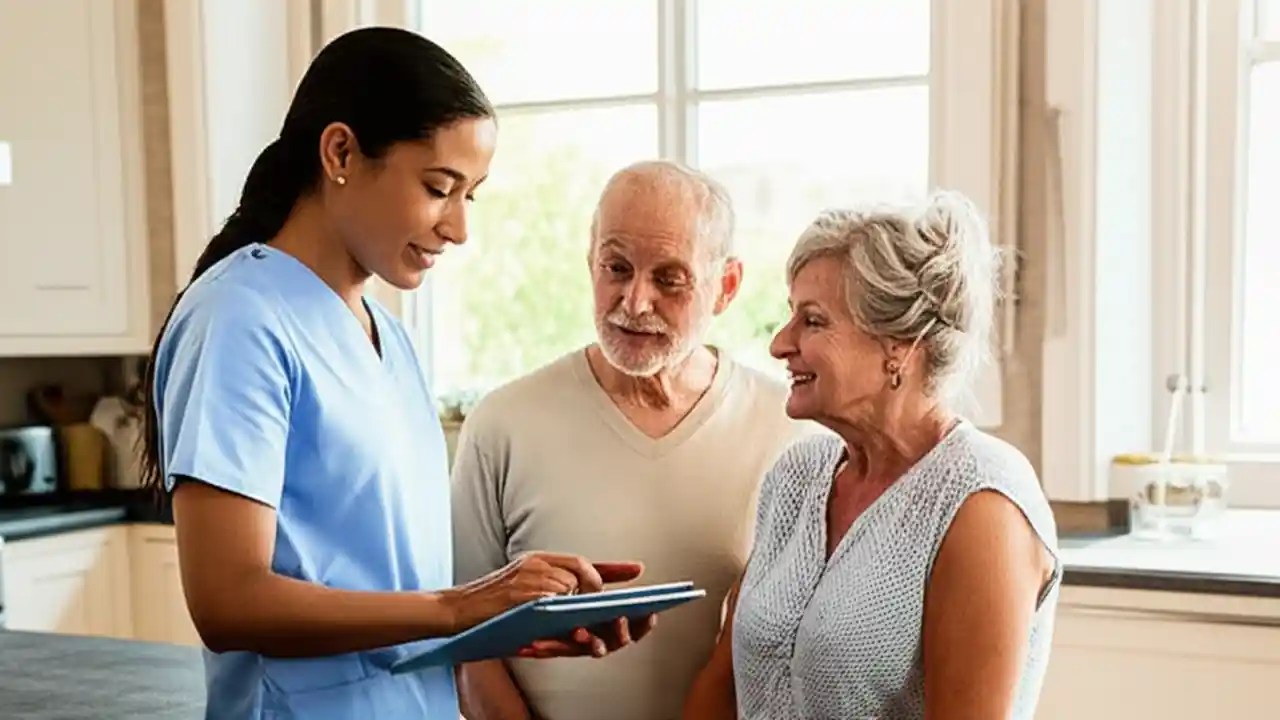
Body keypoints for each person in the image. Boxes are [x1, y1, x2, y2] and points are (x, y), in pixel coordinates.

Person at [138, 28, 653, 720]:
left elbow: (392, 596)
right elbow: (228, 601)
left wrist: (504, 624)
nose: (458, 228)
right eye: (439, 188)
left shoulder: (391, 339)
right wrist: (458, 606)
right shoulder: (240, 318)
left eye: (471, 196)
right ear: (340, 153)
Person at [450, 160, 813, 720]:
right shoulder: (501, 424)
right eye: (616, 268)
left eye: (669, 279)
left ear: (726, 286)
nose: (636, 301)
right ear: (589, 261)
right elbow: (466, 640)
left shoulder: (791, 431)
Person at [683, 191, 1061, 719]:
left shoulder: (982, 505)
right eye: (791, 316)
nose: (780, 344)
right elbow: (720, 687)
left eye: (813, 321)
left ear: (898, 345)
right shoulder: (797, 474)